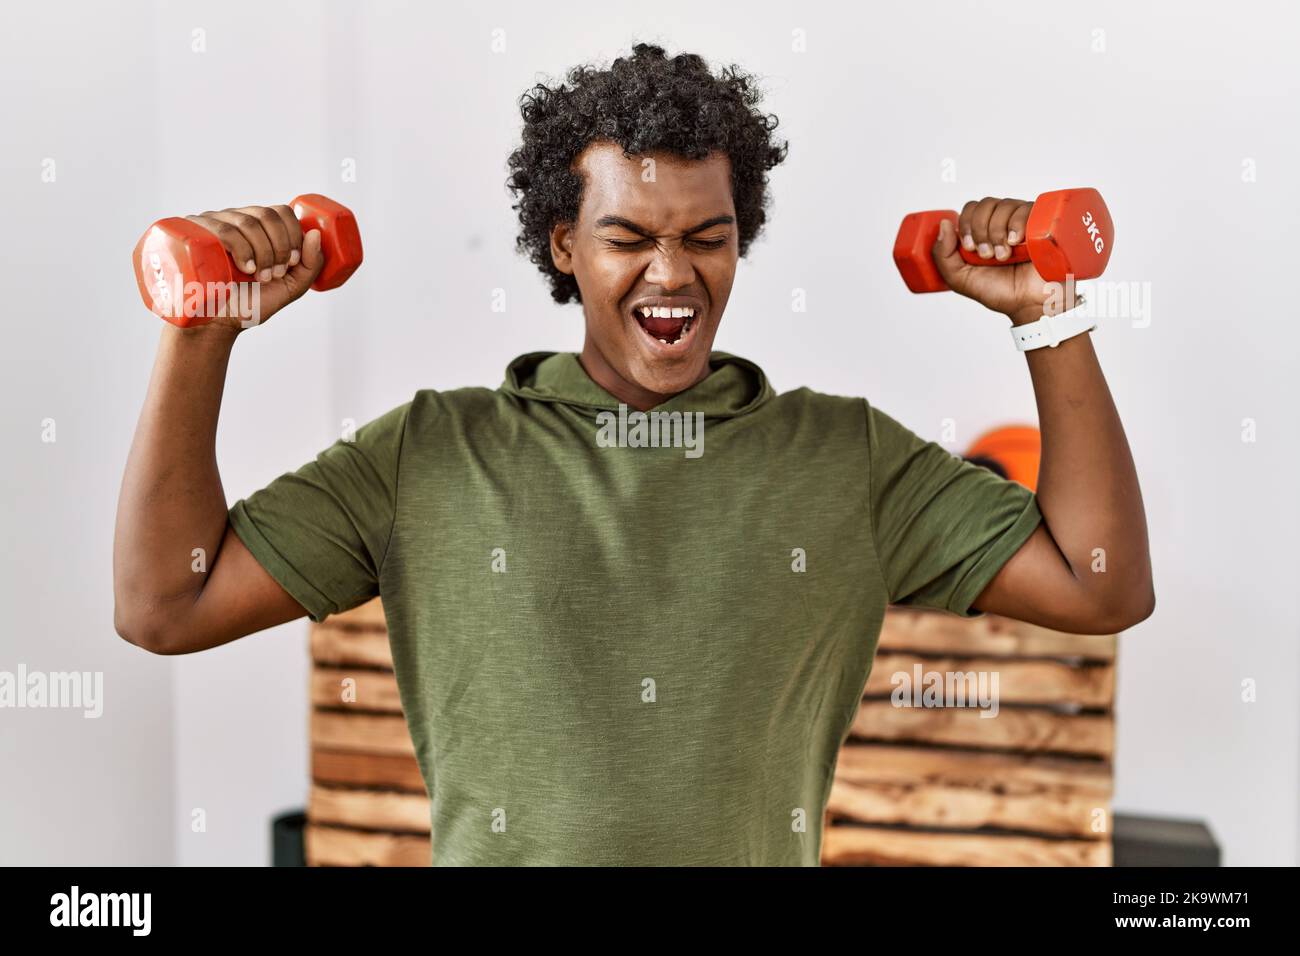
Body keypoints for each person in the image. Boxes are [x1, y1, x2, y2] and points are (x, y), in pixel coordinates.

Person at [113, 43, 1154, 865]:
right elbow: (165, 605)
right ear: (563, 244)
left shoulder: (846, 457)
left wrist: (1047, 319)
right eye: (628, 237)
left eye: (708, 236)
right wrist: (201, 330)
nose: (674, 273)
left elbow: (1096, 585)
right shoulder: (431, 453)